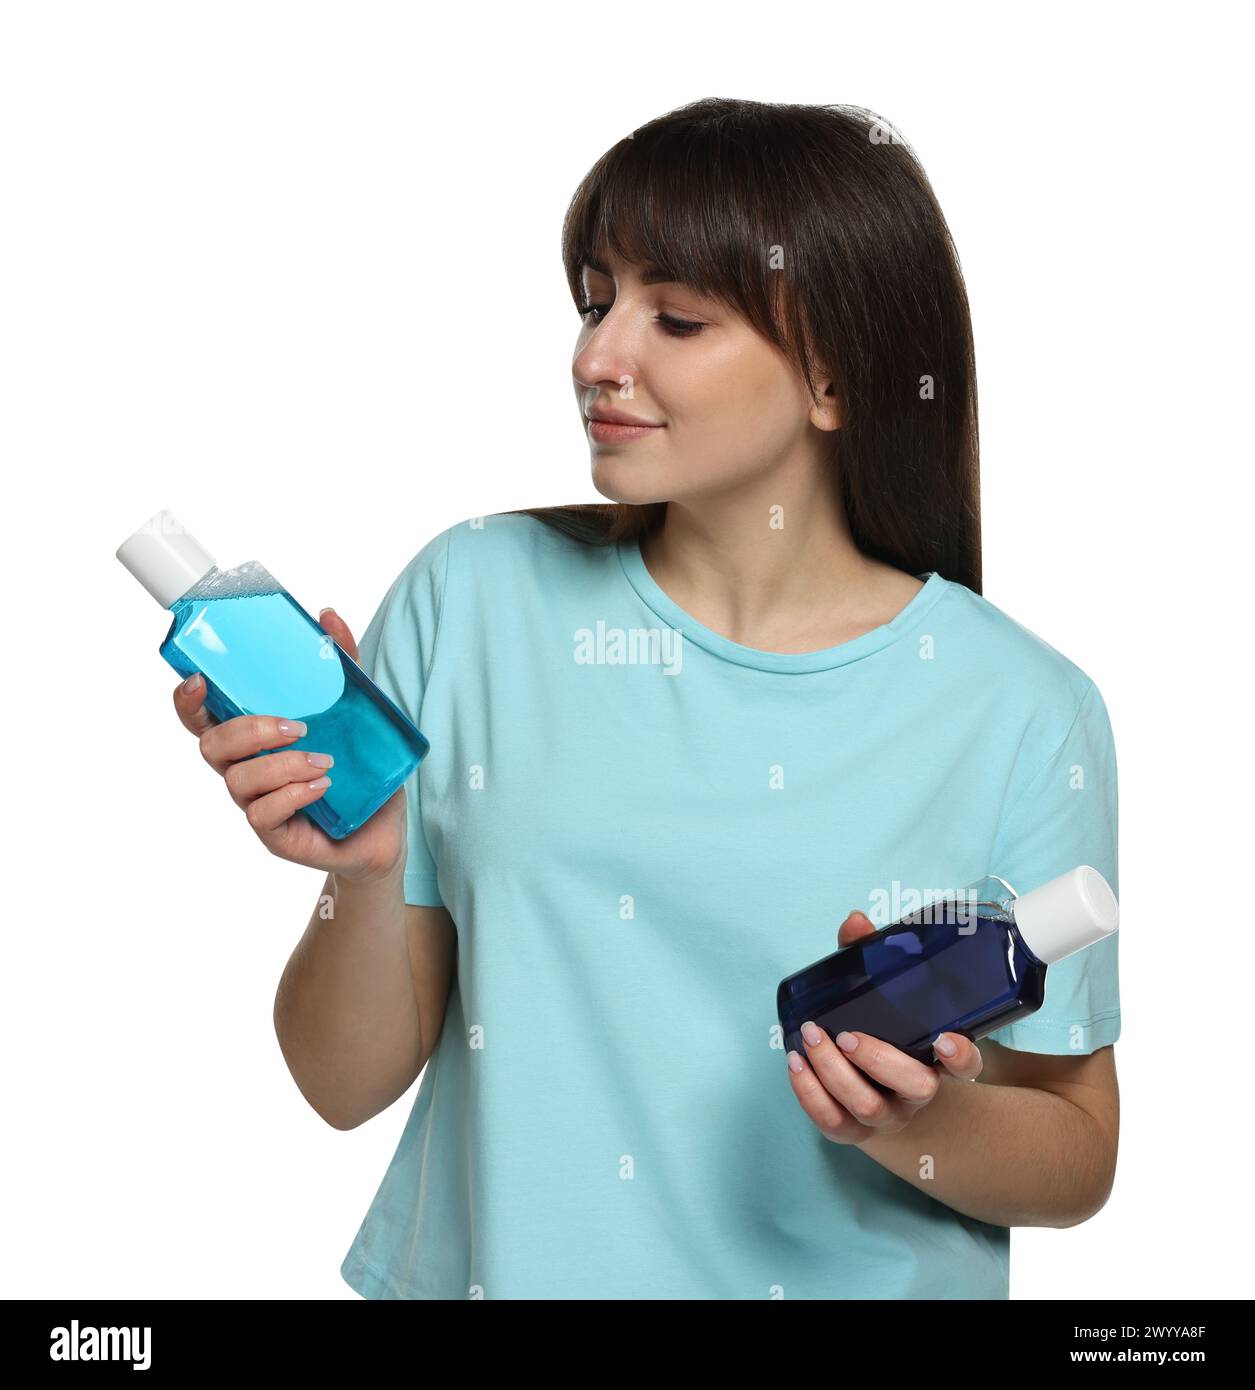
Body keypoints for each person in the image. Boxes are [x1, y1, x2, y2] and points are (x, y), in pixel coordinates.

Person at [173, 98, 1121, 1299]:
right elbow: (339, 1084)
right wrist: (362, 877)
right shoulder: (473, 598)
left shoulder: (1020, 707)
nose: (595, 357)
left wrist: (912, 1122)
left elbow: (1077, 1149)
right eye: (593, 298)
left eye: (673, 316)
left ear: (835, 377)